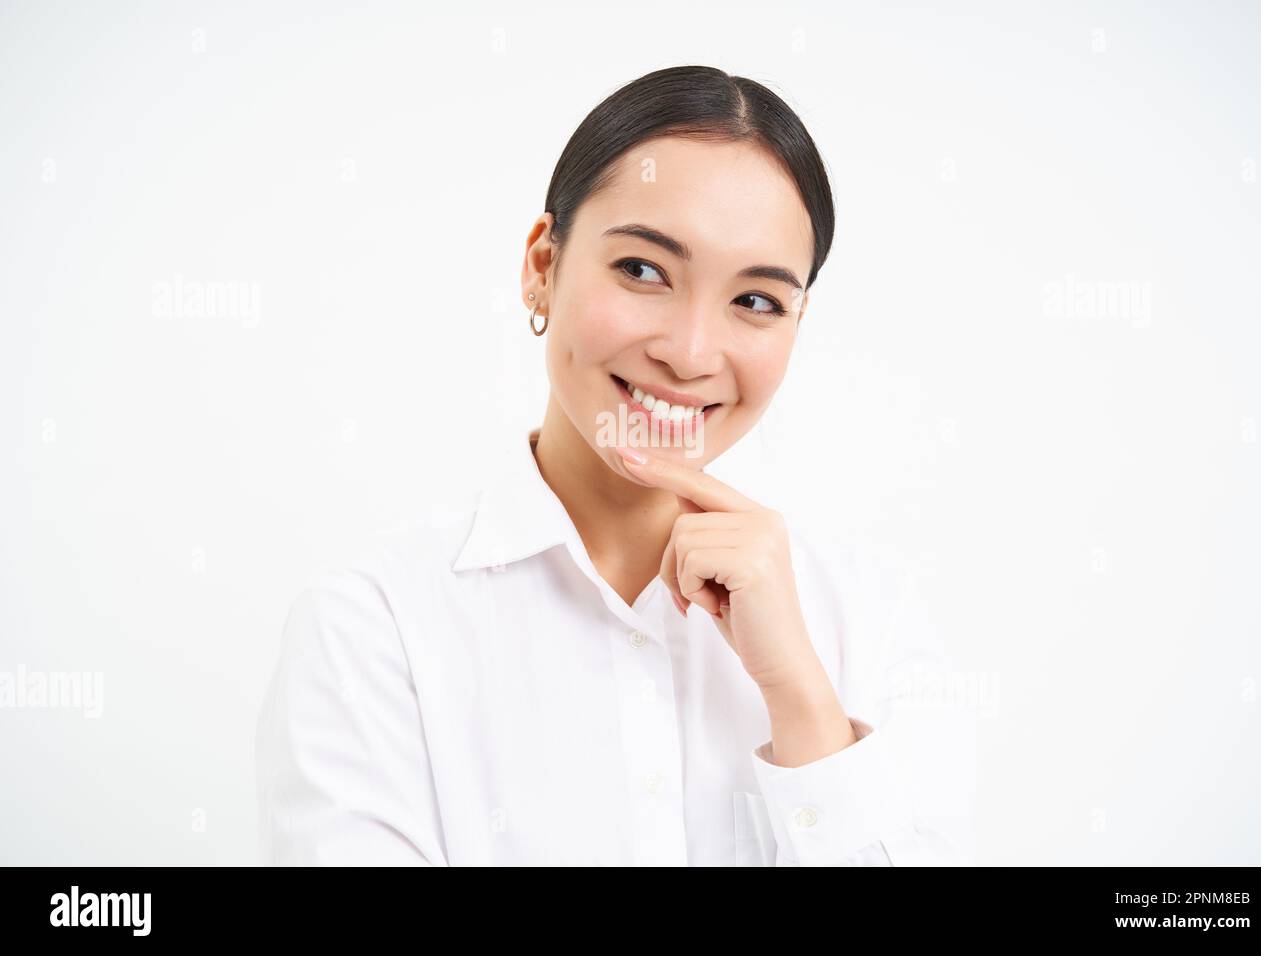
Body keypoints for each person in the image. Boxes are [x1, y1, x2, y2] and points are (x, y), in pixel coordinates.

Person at [255, 64, 971, 866]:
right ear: (542, 266)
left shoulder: (869, 620)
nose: (692, 352)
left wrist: (802, 699)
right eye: (643, 270)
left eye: (756, 301)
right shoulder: (374, 627)